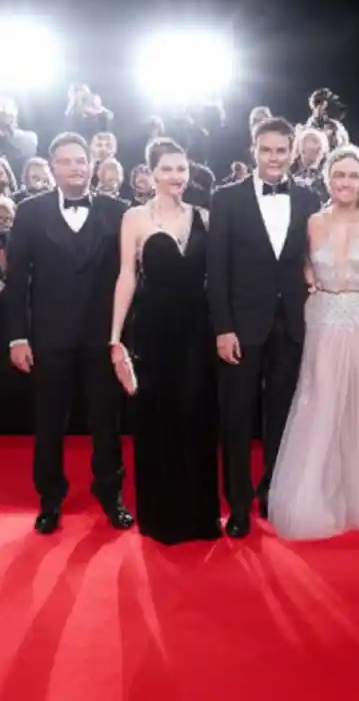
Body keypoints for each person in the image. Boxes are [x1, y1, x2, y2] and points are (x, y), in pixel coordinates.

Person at [267, 144, 359, 540]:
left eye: (352, 175)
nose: (346, 182)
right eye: (339, 175)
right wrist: (310, 278)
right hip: (323, 317)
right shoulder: (311, 222)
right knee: (321, 400)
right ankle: (318, 495)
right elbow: (298, 263)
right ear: (328, 178)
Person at [4, 133, 134, 534]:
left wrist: (124, 337)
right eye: (67, 161)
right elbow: (16, 279)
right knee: (48, 423)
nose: (76, 167)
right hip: (49, 337)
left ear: (92, 165)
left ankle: (111, 495)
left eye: (82, 160)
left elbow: (132, 275)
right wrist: (17, 337)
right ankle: (50, 498)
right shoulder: (28, 212)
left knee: (106, 422)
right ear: (52, 167)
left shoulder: (120, 211)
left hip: (103, 338)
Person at [207, 117, 320, 538]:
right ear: (253, 150)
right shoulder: (227, 198)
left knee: (282, 418)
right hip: (241, 326)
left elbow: (313, 258)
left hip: (293, 324)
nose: (274, 158)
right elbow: (216, 269)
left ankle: (273, 493)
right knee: (236, 418)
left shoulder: (309, 199)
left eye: (281, 150)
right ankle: (237, 504)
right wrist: (223, 326)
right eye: (266, 149)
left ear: (292, 152)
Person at [109, 138, 219, 545]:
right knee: (157, 416)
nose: (177, 177)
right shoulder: (135, 218)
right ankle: (161, 515)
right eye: (168, 169)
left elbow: (218, 278)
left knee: (196, 414)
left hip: (198, 329)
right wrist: (114, 337)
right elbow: (126, 277)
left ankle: (199, 516)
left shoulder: (205, 216)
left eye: (182, 169)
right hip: (153, 330)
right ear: (150, 172)